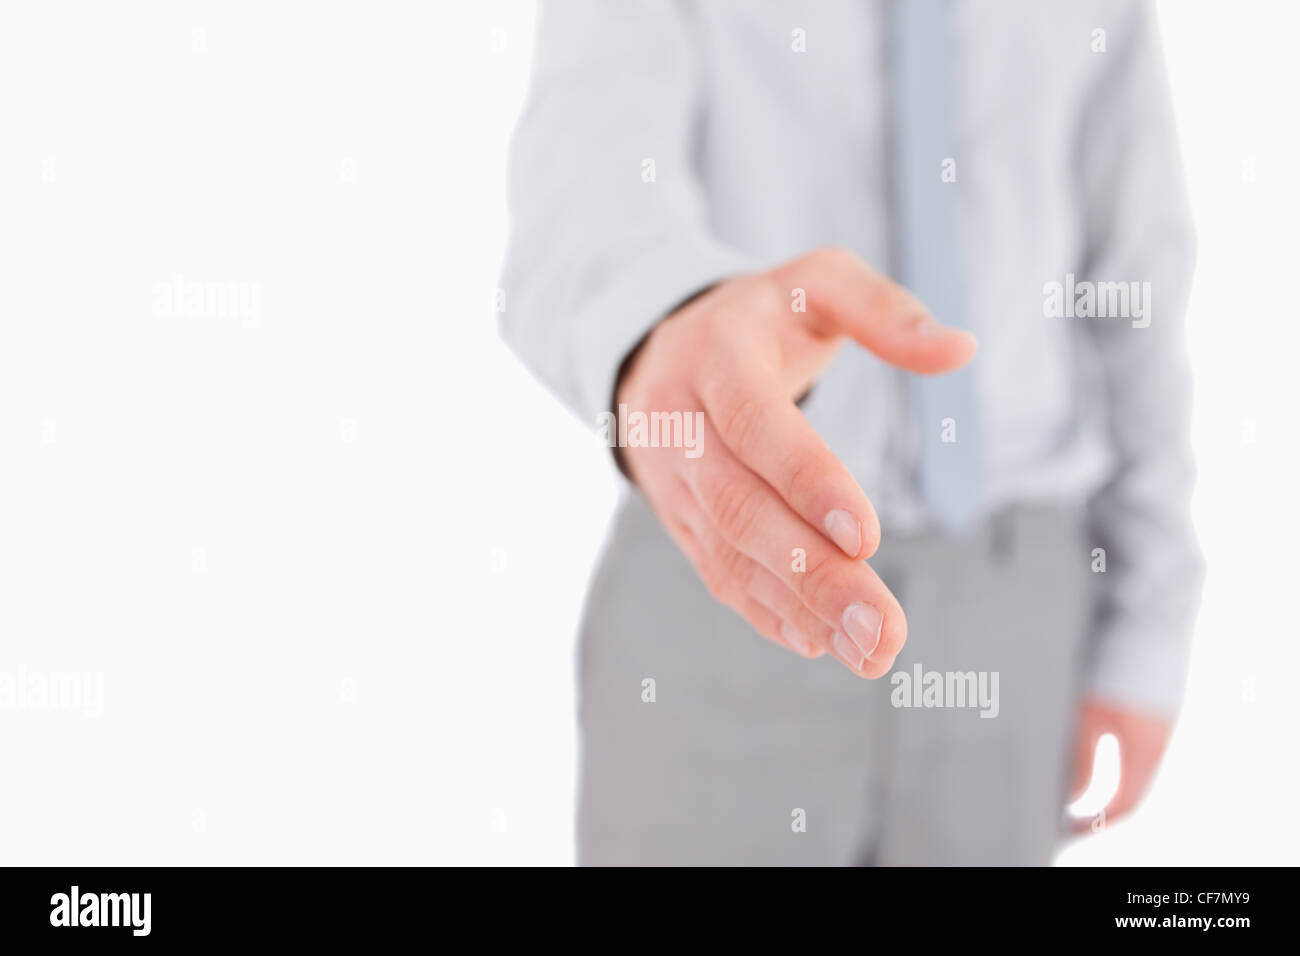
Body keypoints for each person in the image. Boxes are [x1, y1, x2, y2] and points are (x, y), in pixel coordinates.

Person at [499, 0, 1200, 865]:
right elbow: (586, 182)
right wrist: (669, 327)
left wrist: (1148, 633)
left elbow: (1137, 280)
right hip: (720, 571)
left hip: (1024, 607)